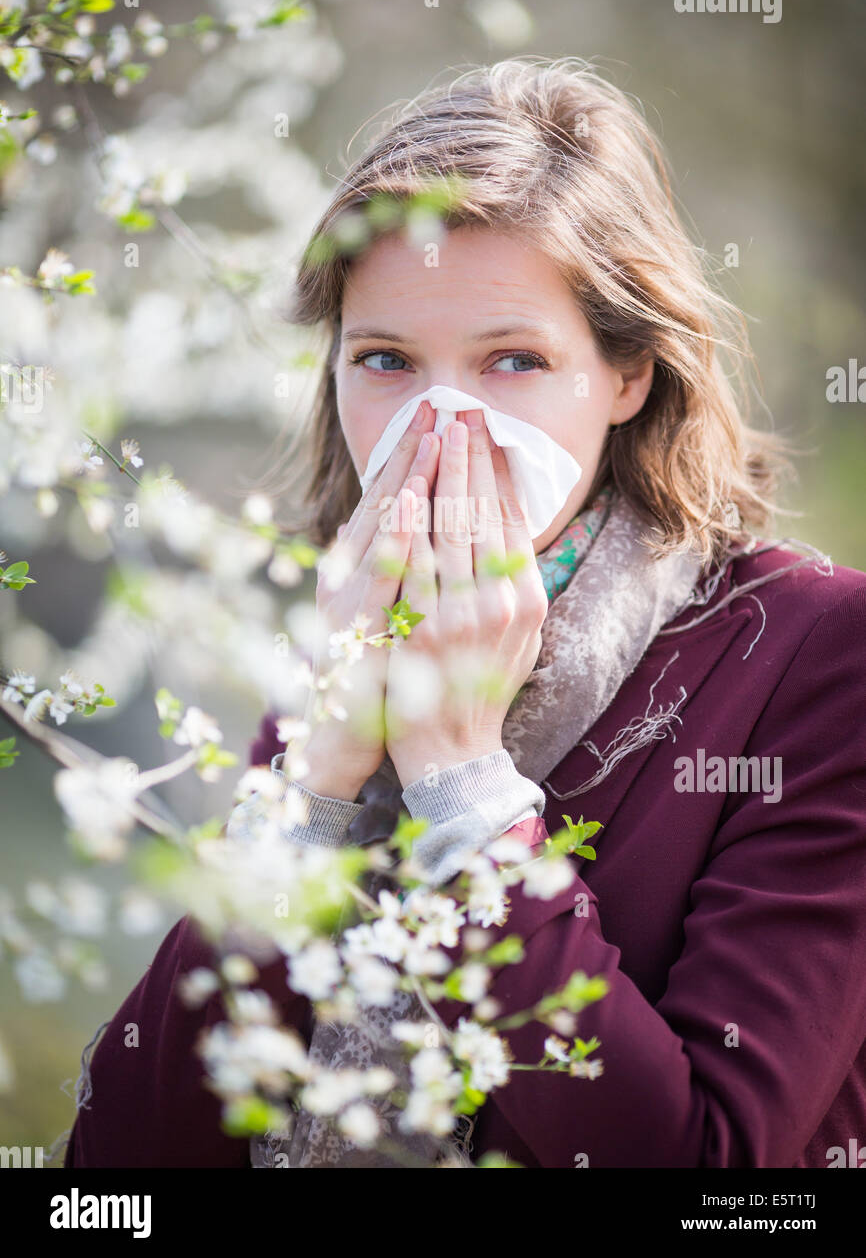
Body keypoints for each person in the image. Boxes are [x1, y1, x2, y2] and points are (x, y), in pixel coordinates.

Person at [65, 58, 866, 1169]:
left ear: (626, 371)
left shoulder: (814, 653)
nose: (448, 423)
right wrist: (318, 778)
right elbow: (118, 1177)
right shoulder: (351, 642)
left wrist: (457, 774)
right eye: (386, 359)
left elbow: (708, 1165)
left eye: (513, 360)